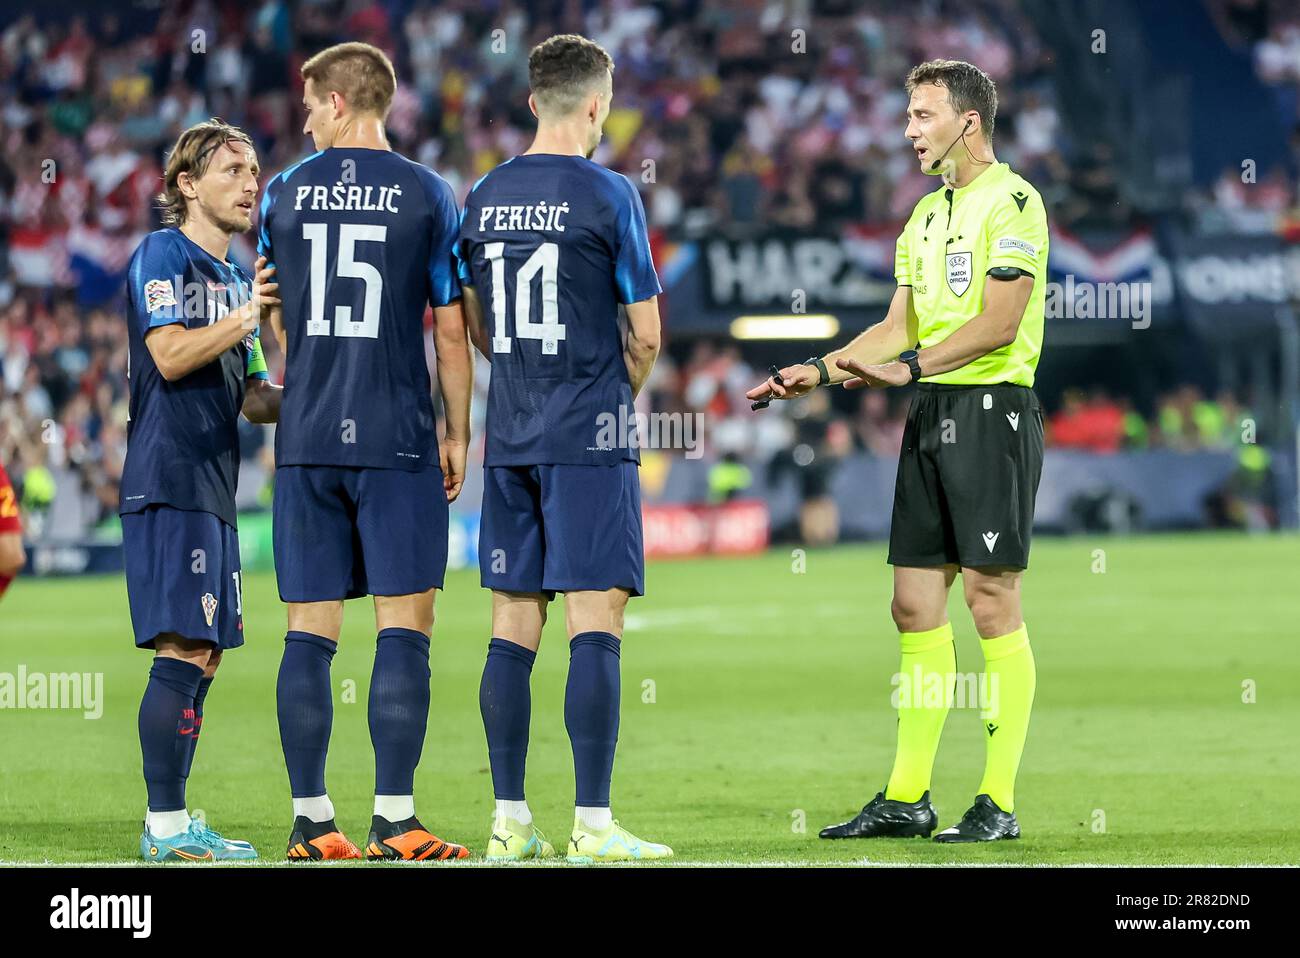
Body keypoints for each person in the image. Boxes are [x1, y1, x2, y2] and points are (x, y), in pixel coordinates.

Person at [747, 59, 1049, 843]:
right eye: (909, 116)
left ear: (968, 121)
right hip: (931, 417)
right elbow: (896, 328)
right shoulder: (922, 217)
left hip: (991, 413)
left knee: (990, 601)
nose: (909, 130)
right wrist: (816, 370)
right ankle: (909, 798)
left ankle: (998, 801)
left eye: (922, 115)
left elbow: (999, 324)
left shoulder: (1014, 202)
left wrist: (908, 367)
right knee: (913, 604)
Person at [456, 34, 669, 862]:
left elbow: (472, 319)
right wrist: (614, 402)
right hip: (589, 429)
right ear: (595, 105)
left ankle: (508, 824)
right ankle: (592, 825)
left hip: (509, 433)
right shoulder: (611, 193)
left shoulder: (483, 194)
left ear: (531, 100)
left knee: (512, 623)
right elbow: (645, 336)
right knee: (595, 620)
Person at [258, 42, 473, 861]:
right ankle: (395, 819)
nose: (305, 117)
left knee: (308, 630)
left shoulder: (282, 193)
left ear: (343, 101)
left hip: (308, 435)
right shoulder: (428, 193)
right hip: (397, 436)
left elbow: (276, 316)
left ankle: (313, 822)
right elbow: (450, 334)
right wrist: (457, 431)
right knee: (403, 626)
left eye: (312, 103)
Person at [122, 120, 282, 861]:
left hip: (214, 485)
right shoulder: (165, 255)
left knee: (207, 653)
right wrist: (247, 314)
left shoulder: (235, 277)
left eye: (255, 169)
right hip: (170, 477)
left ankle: (178, 820)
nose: (251, 182)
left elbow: (254, 399)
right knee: (184, 646)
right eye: (231, 170)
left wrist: (316, 376)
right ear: (187, 184)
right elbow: (171, 352)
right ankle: (163, 828)